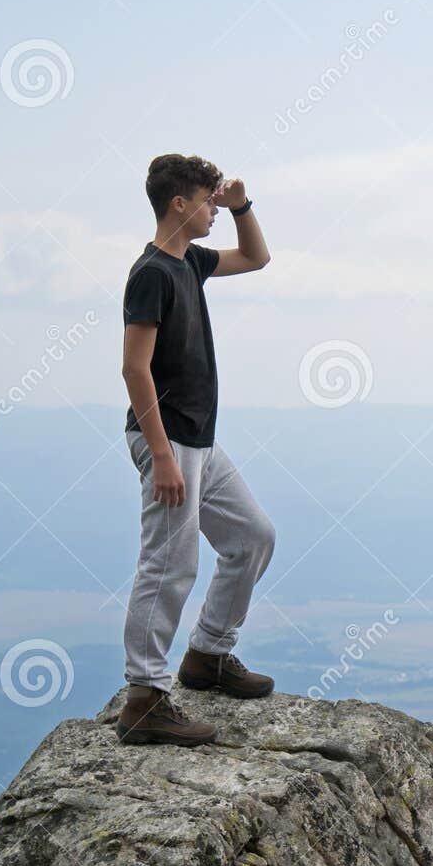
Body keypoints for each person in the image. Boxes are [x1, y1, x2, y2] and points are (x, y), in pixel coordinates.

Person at [115, 153, 276, 746]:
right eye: (207, 201)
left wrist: (241, 206)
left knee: (252, 536)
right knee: (169, 563)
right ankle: (146, 698)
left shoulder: (192, 263)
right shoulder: (153, 271)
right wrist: (160, 456)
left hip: (198, 441)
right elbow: (134, 369)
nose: (214, 209)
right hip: (169, 439)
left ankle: (206, 655)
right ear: (179, 204)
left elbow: (257, 258)